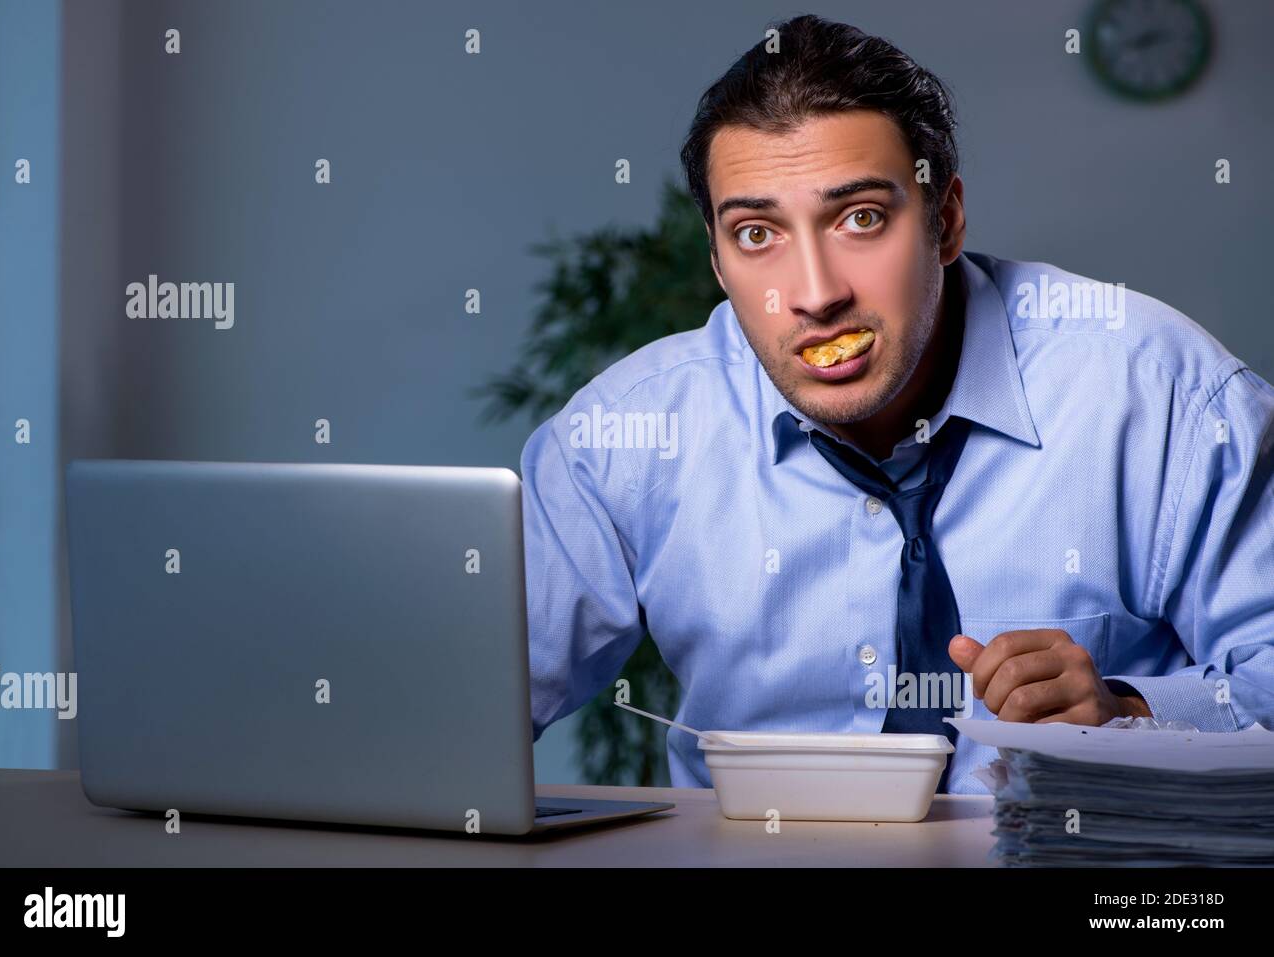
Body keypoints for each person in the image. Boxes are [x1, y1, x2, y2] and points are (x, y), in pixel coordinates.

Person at [520, 14, 1274, 793]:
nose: (815, 294)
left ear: (944, 220)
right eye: (755, 234)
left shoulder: (1159, 392)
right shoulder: (622, 438)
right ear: (715, 258)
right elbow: (467, 699)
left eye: (861, 218)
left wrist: (1130, 710)